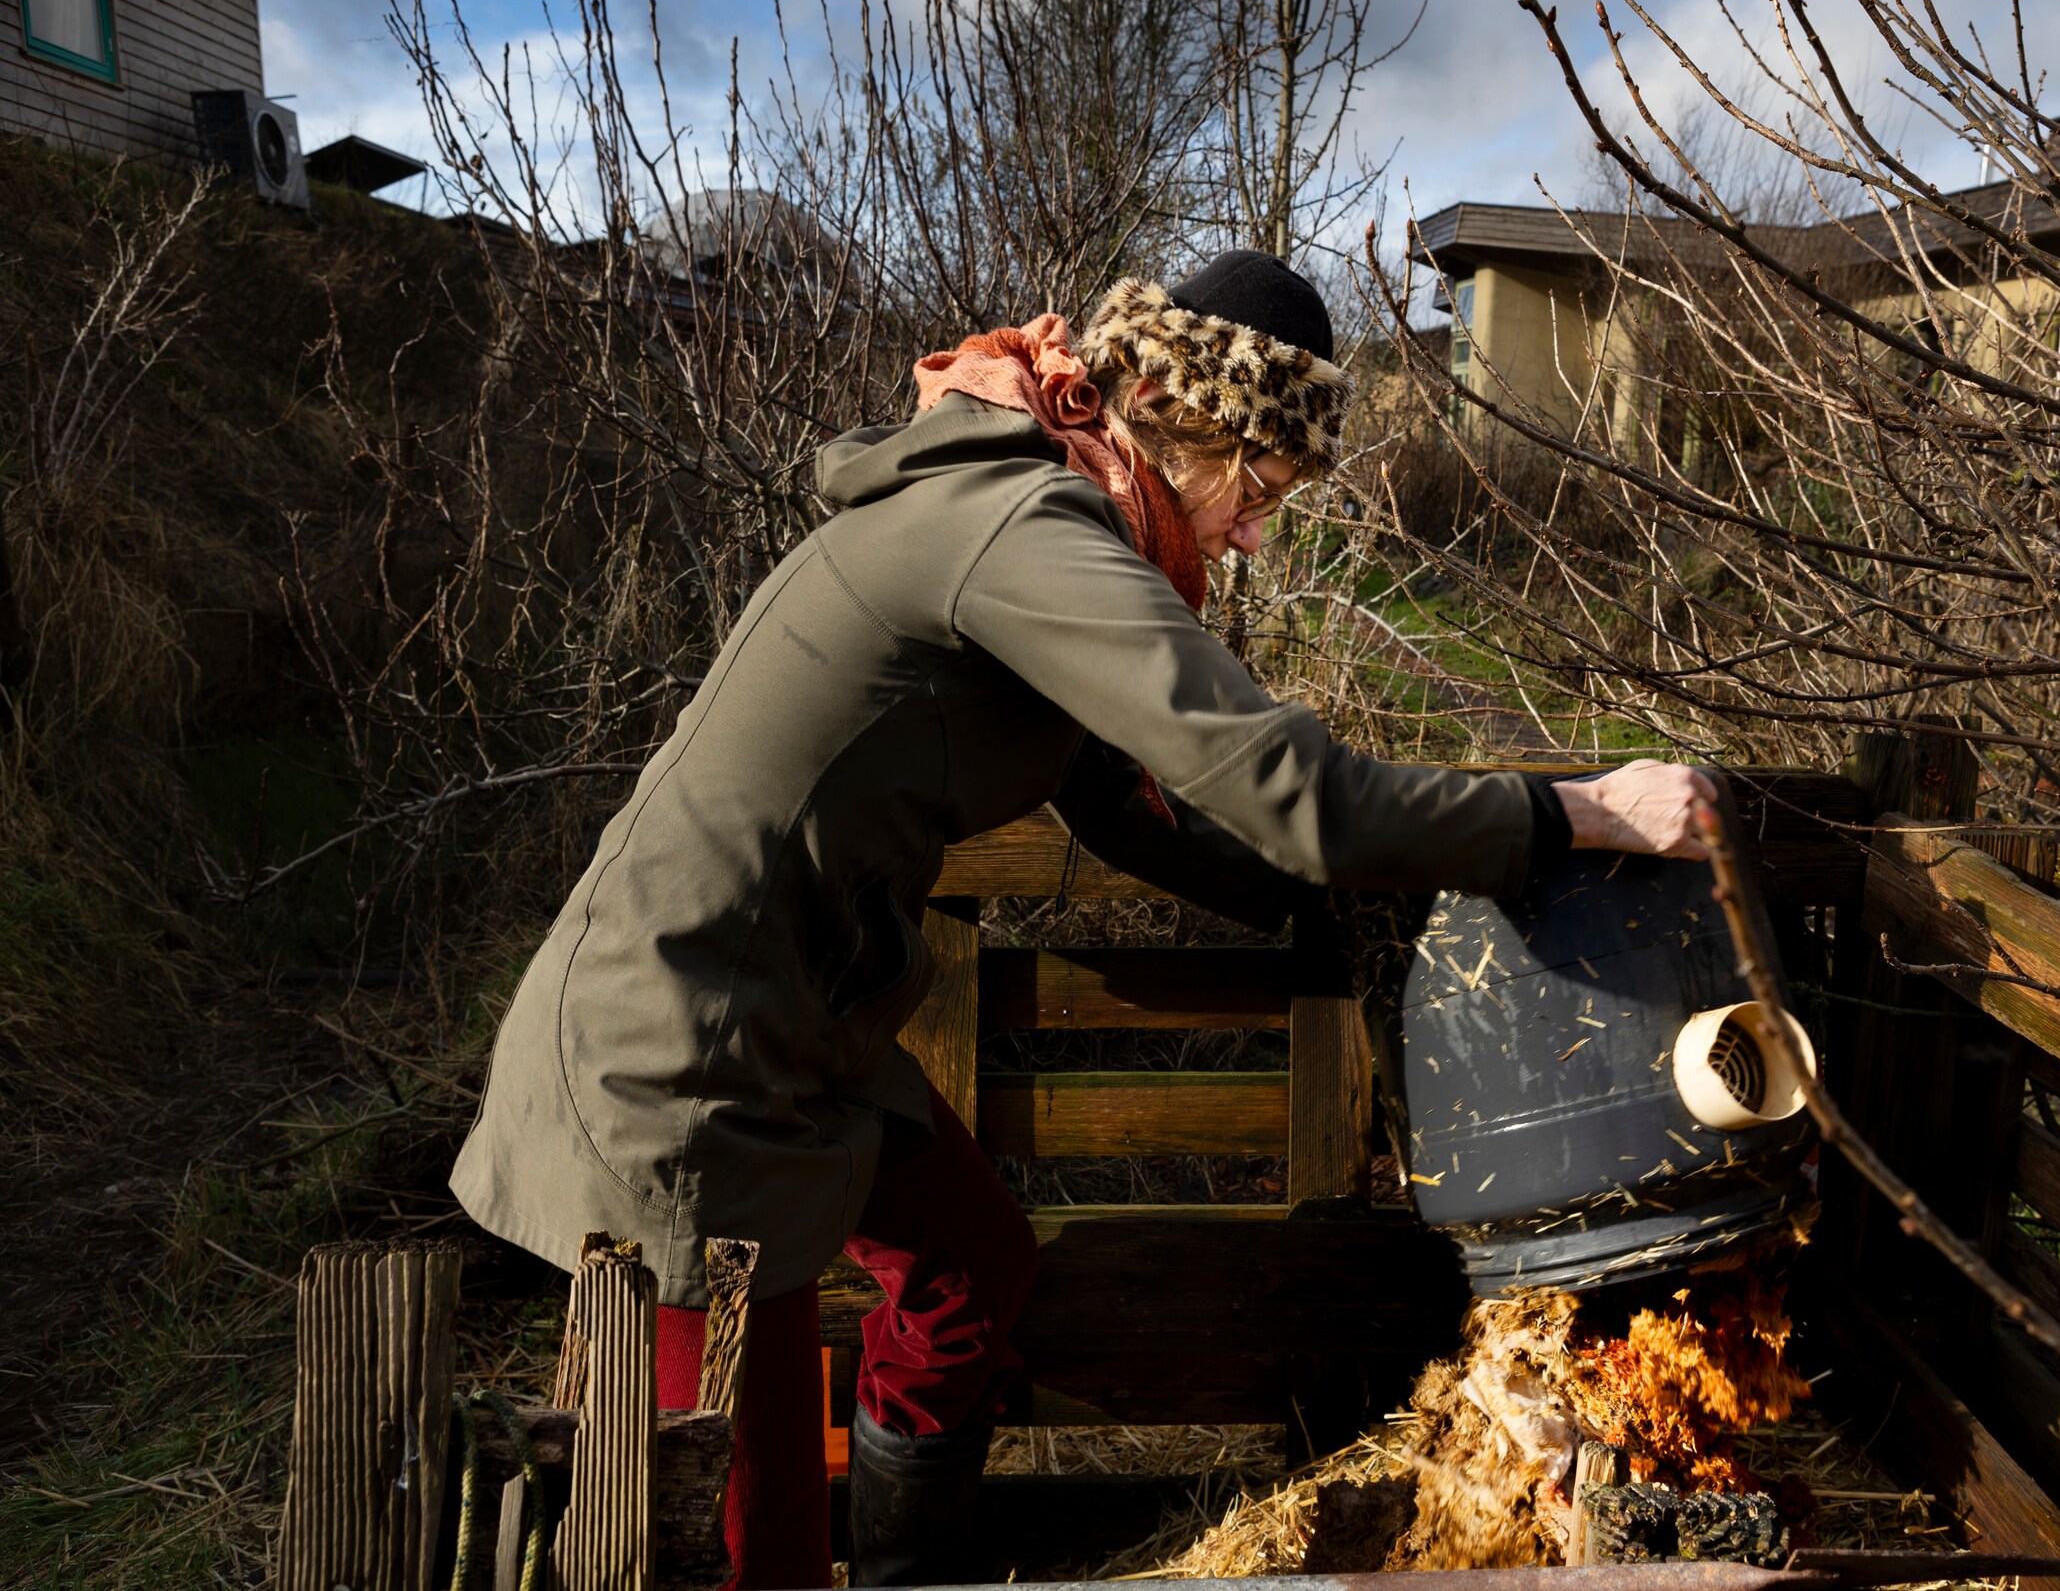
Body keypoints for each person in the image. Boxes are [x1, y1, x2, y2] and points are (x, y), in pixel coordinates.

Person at [448, 250, 1716, 1587]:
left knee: (968, 1266)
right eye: (1260, 491)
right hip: (682, 1049)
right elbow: (1296, 791)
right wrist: (1577, 812)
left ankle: (900, 1575)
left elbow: (1137, 809)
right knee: (740, 1539)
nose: (1250, 536)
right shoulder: (1025, 531)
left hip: (801, 1024)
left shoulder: (1044, 519)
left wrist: (1367, 906)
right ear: (1188, 425)